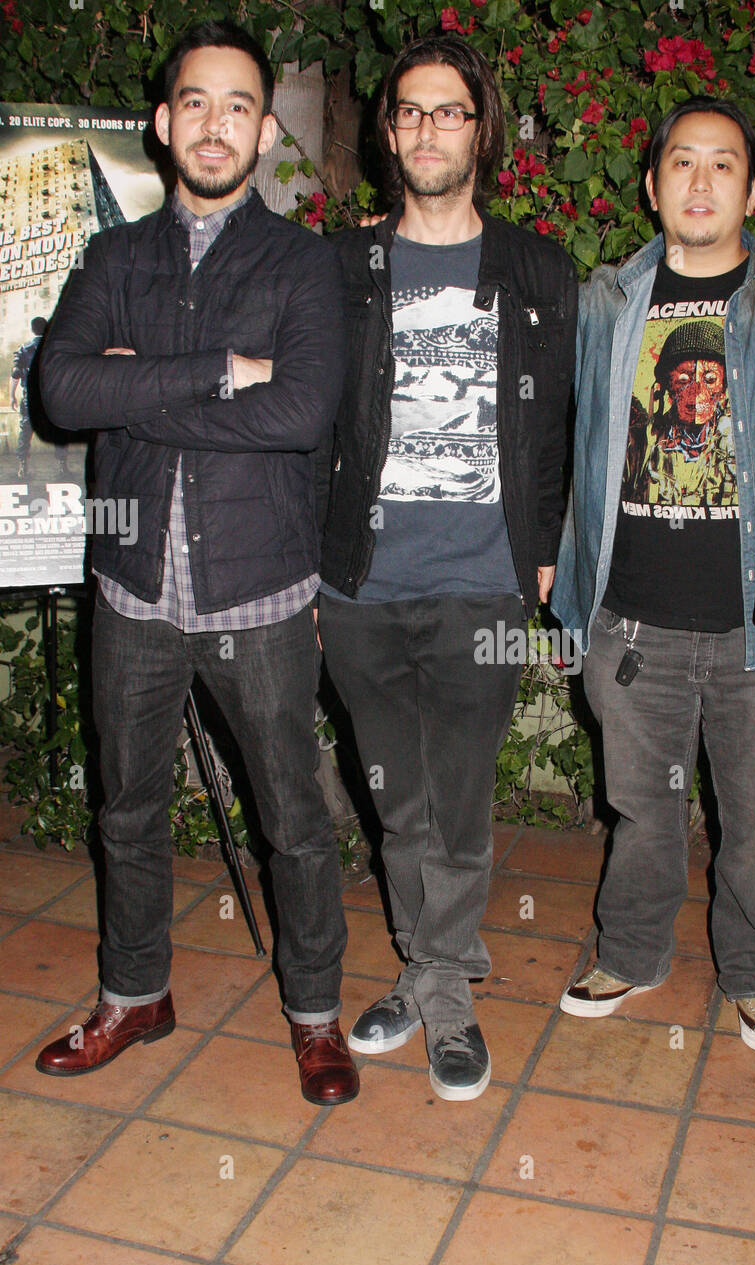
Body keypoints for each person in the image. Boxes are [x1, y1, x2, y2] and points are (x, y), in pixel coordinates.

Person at [35, 20, 358, 1106]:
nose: (215, 124)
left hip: (260, 591)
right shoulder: (112, 256)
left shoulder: (305, 262)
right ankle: (136, 993)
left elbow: (307, 409)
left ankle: (316, 1016)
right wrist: (224, 370)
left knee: (293, 816)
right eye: (196, 102)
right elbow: (64, 391)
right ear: (164, 120)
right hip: (132, 586)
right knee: (125, 805)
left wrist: (150, 389)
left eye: (238, 105)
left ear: (265, 131)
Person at [317, 35, 577, 1100]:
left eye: (451, 112)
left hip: (483, 581)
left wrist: (546, 555)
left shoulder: (536, 267)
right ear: (389, 131)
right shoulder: (341, 266)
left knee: (458, 806)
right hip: (362, 585)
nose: (430, 129)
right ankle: (431, 974)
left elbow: (558, 420)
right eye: (411, 112)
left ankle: (444, 993)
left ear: (483, 129)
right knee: (397, 801)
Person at [550, 98, 755, 1051]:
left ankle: (753, 970)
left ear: (751, 187)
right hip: (633, 618)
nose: (699, 183)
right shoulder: (605, 301)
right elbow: (568, 433)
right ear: (653, 179)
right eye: (681, 163)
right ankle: (631, 949)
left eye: (722, 166)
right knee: (641, 808)